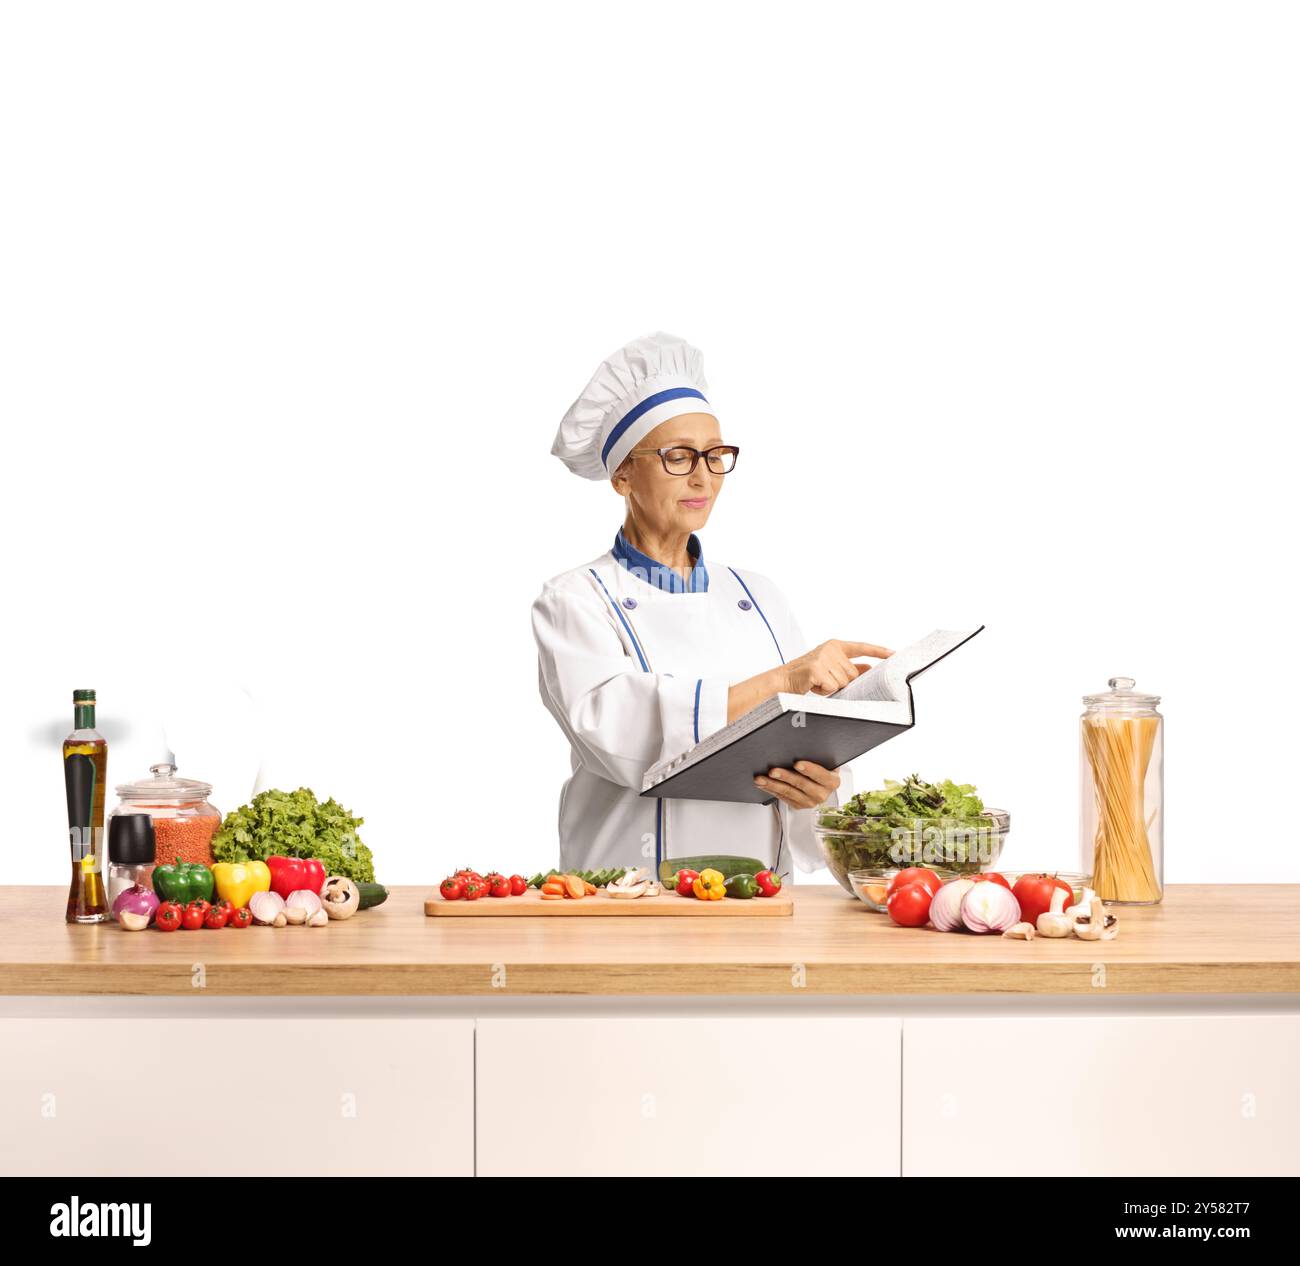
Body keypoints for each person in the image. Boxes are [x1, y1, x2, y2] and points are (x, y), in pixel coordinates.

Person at [532, 331, 891, 877]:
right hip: (628, 895)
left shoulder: (759, 595)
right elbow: (619, 733)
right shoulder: (575, 599)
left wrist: (817, 790)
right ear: (622, 474)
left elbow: (797, 743)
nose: (703, 475)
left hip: (759, 894)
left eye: (716, 455)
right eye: (678, 456)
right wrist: (783, 681)